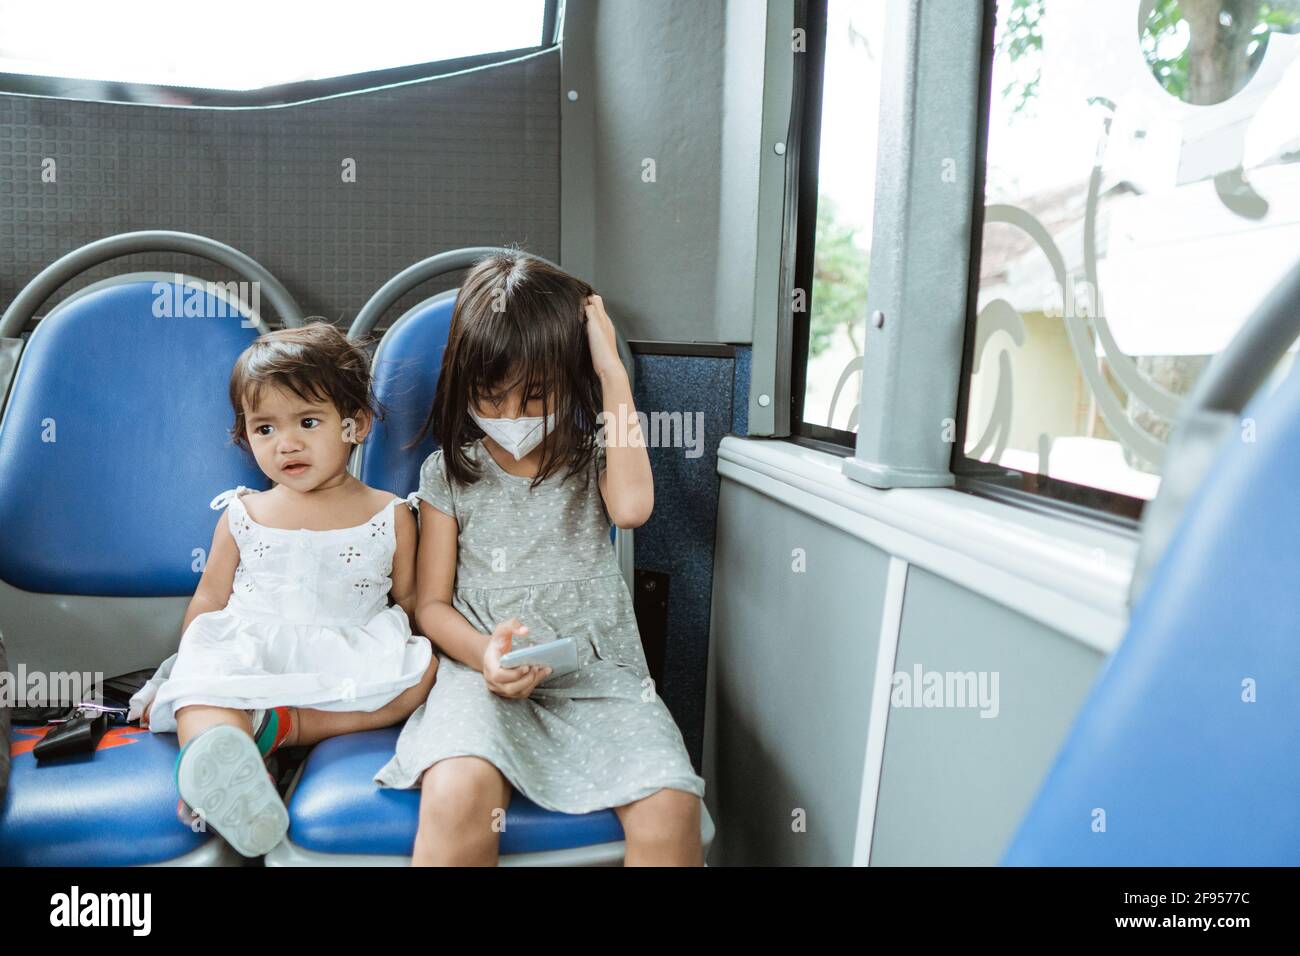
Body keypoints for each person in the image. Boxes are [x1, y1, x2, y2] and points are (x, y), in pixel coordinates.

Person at [373, 252, 705, 865]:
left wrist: (611, 371)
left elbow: (631, 509)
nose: (510, 418)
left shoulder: (593, 457)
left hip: (598, 679)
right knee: (457, 791)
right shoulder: (448, 473)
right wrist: (486, 657)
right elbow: (432, 607)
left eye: (533, 397)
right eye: (490, 397)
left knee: (671, 805)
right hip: (481, 679)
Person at [128, 322, 437, 857]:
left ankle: (278, 730)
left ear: (355, 425)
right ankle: (220, 775)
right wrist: (188, 666)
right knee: (200, 699)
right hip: (250, 647)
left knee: (420, 676)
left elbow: (407, 603)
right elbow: (209, 599)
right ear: (244, 434)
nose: (285, 443)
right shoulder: (244, 512)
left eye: (308, 422)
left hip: (342, 651)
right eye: (264, 428)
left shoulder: (390, 514)